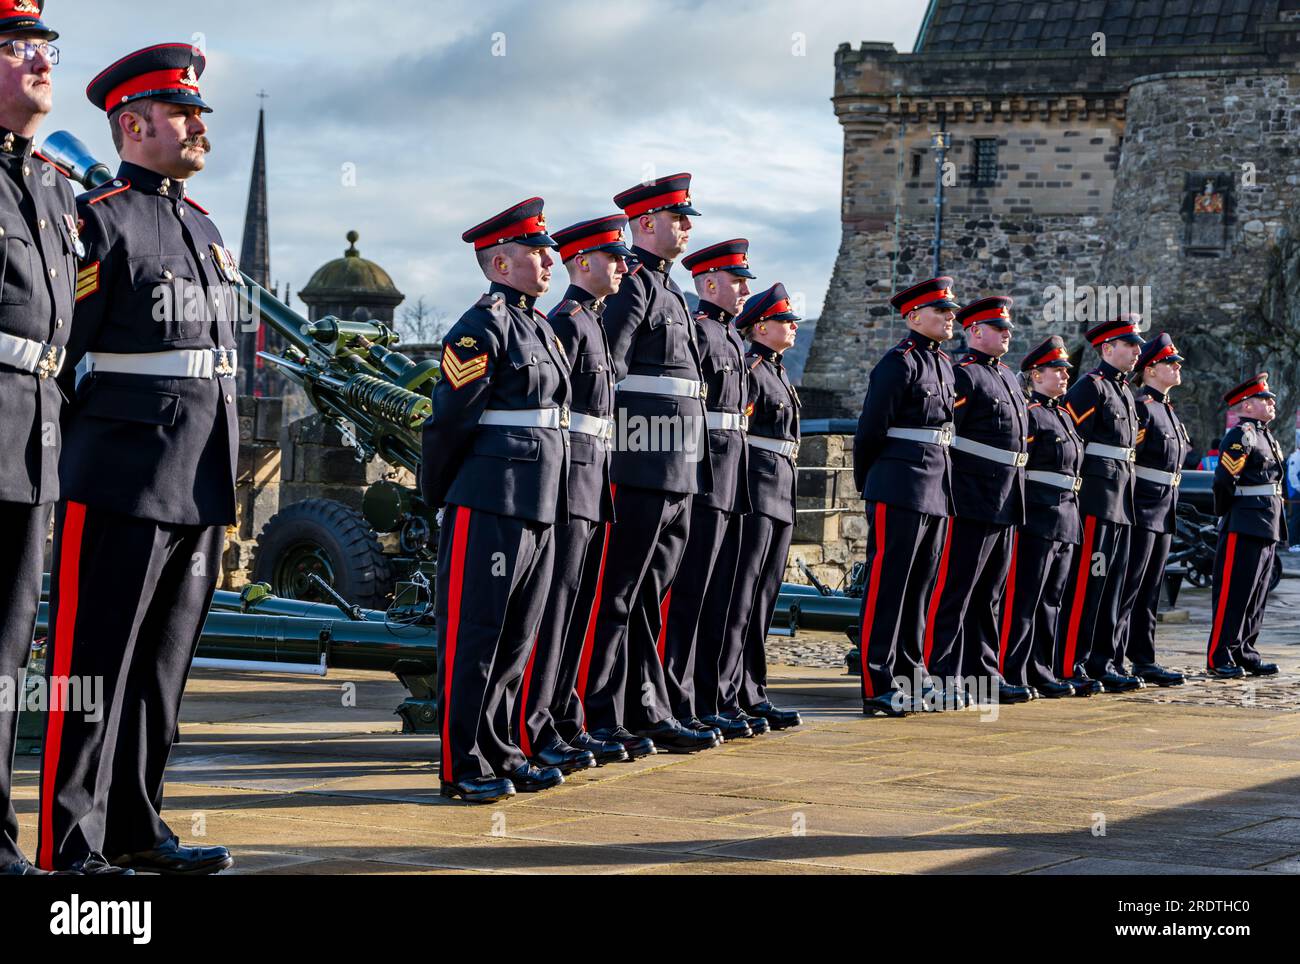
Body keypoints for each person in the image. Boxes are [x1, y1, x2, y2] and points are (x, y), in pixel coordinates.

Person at [39, 42, 237, 874]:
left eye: (197, 111)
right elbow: (62, 355)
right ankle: (69, 843)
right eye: (182, 112)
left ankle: (135, 828)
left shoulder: (203, 225)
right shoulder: (97, 221)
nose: (198, 125)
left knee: (160, 674)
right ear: (132, 123)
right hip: (118, 472)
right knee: (91, 671)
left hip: (198, 473)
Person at [421, 197, 571, 801]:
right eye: (536, 252)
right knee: (474, 635)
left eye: (547, 251)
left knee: (516, 635)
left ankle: (501, 749)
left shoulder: (538, 324)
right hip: (490, 498)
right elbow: (449, 422)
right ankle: (463, 765)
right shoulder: (479, 327)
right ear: (500, 263)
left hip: (540, 499)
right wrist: (443, 494)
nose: (548, 261)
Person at [579, 173, 719, 755]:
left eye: (688, 218)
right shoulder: (634, 287)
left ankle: (647, 707)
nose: (687, 227)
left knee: (649, 596)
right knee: (616, 596)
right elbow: (605, 376)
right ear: (644, 224)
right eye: (678, 217)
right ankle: (601, 712)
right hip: (638, 464)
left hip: (677, 464)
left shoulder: (672, 294)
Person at [0, 0, 78, 877]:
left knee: (7, 652)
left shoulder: (54, 186)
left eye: (46, 46)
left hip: (34, 437)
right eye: (19, 47)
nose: (40, 60)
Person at [515, 214, 630, 770]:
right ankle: (534, 727)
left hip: (591, 479)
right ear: (582, 262)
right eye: (614, 257)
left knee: (575, 609)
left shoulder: (594, 323)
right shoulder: (565, 321)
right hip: (565, 484)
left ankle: (561, 718)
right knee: (553, 611)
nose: (624, 266)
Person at [665, 239, 757, 740]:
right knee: (687, 598)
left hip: (729, 479)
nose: (745, 289)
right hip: (701, 479)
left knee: (717, 596)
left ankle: (705, 697)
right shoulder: (700, 334)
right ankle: (678, 700)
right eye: (737, 280)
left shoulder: (732, 339)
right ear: (709, 284)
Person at [852, 277, 957, 716]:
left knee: (919, 590)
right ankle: (877, 681)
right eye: (942, 312)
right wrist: (870, 483)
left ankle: (911, 675)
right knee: (888, 587)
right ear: (914, 317)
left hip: (935, 487)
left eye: (951, 311)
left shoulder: (944, 364)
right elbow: (870, 430)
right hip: (899, 484)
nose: (951, 318)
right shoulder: (899, 363)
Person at [923, 296, 1029, 706]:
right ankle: (939, 672)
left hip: (1005, 497)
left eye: (1008, 330)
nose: (1006, 335)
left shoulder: (1007, 376)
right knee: (955, 591)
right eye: (999, 329)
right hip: (969, 497)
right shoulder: (962, 375)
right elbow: (949, 439)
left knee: (989, 594)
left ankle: (983, 673)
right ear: (975, 332)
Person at [716, 284, 803, 731]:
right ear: (761, 326)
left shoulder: (777, 370)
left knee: (763, 599)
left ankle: (752, 691)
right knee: (739, 596)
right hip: (754, 487)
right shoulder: (751, 368)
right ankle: (724, 694)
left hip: (780, 490)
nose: (792, 327)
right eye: (786, 321)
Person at [1054, 316, 1144, 694]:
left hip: (1121, 498)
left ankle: (1102, 660)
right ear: (1108, 348)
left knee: (1112, 587)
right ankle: (1071, 661)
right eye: (1130, 345)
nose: (1139, 351)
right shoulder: (1090, 388)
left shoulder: (1123, 390)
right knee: (1087, 586)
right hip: (1095, 498)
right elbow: (1071, 441)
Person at [997, 336, 1081, 699]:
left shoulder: (1063, 414)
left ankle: (1041, 668)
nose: (1064, 375)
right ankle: (1012, 668)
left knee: (1052, 599)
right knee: (1024, 598)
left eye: (1065, 370)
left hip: (1066, 514)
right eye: (1056, 370)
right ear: (1035, 374)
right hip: (1038, 513)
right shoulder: (1029, 414)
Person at [1116, 333, 1189, 687]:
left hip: (1164, 507)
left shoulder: (1168, 409)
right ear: (1149, 369)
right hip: (1142, 505)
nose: (1176, 368)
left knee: (1151, 589)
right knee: (1128, 586)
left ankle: (1143, 657)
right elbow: (1131, 460)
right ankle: (1113, 656)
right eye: (1169, 363)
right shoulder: (1142, 407)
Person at [1206, 373, 1286, 678]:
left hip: (1266, 523)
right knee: (1234, 593)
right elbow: (1224, 481)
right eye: (1265, 399)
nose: (1271, 402)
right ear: (1248, 406)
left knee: (1256, 595)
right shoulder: (1242, 434)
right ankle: (1220, 655)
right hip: (1244, 522)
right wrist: (1228, 514)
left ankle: (1245, 651)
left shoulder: (1265, 435)